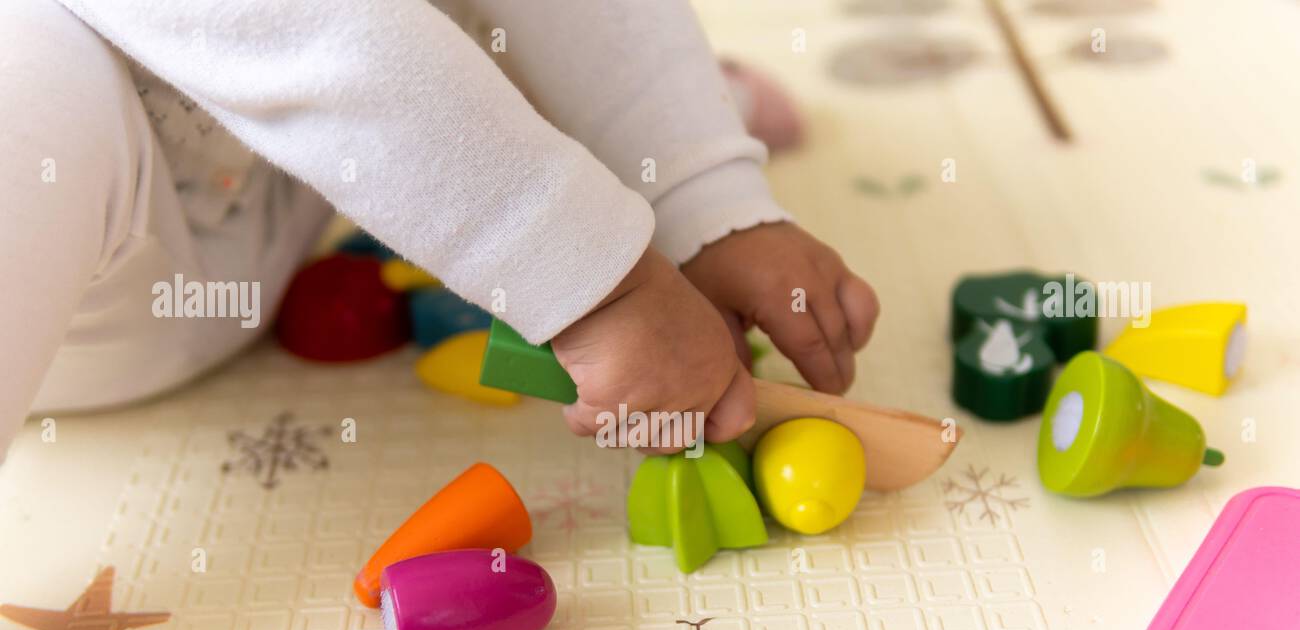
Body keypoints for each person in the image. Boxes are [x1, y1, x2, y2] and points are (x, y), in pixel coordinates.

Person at [0, 0, 879, 456]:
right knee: (28, 77)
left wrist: (703, 194)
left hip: (285, 174)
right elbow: (313, 36)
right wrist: (601, 284)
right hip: (86, 284)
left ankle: (603, 123)